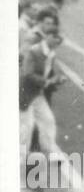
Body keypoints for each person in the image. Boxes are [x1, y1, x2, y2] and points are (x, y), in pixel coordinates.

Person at [20, 9, 63, 157]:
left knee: (48, 120)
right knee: (26, 127)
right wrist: (46, 81)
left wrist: (58, 79)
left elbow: (53, 70)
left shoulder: (51, 53)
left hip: (37, 93)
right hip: (25, 93)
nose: (57, 43)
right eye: (55, 40)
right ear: (49, 37)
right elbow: (27, 73)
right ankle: (20, 158)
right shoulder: (34, 49)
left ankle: (49, 151)